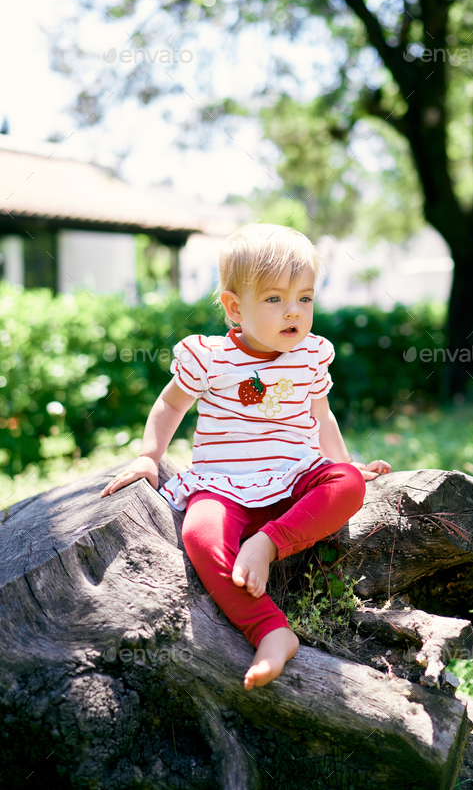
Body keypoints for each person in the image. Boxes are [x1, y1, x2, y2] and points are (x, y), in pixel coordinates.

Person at [101, 223, 392, 689]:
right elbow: (172, 403)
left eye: (305, 298)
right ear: (235, 307)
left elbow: (322, 416)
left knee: (347, 484)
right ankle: (270, 630)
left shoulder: (313, 354)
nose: (293, 311)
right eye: (274, 299)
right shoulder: (210, 357)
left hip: (297, 478)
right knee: (199, 534)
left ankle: (267, 544)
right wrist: (148, 457)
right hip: (226, 483)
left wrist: (347, 463)